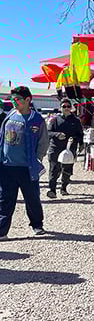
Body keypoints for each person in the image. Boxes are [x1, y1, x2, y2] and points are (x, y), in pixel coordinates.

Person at [0, 86, 49, 239]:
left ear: (28, 100)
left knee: (32, 197)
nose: (14, 103)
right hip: (7, 166)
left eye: (17, 99)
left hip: (27, 168)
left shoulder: (37, 119)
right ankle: (2, 231)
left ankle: (37, 225)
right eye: (13, 99)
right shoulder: (9, 116)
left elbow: (43, 141)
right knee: (5, 199)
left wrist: (38, 159)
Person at [46, 98, 84, 198]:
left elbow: (80, 134)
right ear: (60, 108)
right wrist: (57, 134)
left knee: (67, 170)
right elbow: (48, 133)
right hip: (55, 148)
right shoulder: (54, 120)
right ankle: (52, 190)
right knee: (54, 169)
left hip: (70, 148)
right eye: (64, 106)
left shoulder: (75, 121)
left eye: (68, 106)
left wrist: (80, 143)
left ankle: (63, 188)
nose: (66, 108)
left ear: (71, 108)